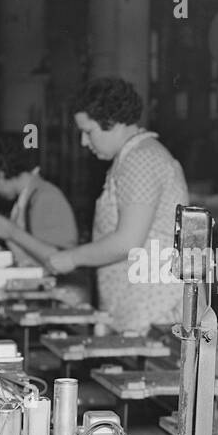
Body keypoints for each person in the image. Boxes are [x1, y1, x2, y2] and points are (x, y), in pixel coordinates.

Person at [46, 78, 189, 333]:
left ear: (113, 123)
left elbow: (127, 242)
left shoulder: (142, 160)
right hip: (133, 310)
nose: (83, 142)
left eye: (88, 132)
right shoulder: (130, 158)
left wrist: (71, 258)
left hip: (148, 314)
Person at [0, 133, 87, 300]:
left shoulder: (45, 197)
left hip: (63, 296)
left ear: (0, 174)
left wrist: (12, 232)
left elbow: (57, 259)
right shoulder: (28, 197)